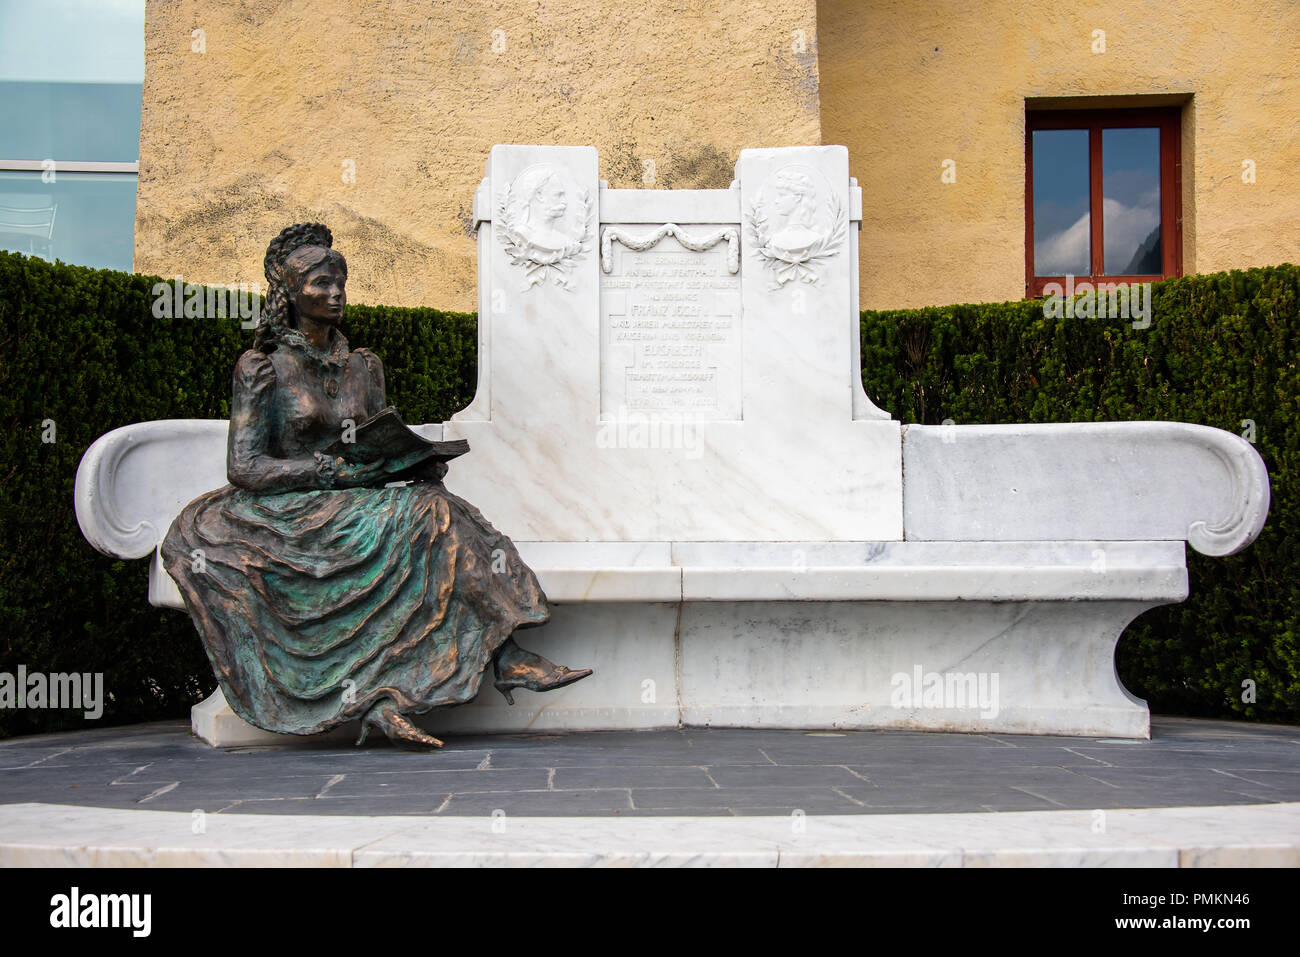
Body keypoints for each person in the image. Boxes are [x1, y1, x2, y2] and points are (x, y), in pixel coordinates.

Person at [161, 222, 591, 749]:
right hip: (288, 509)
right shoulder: (263, 368)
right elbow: (246, 467)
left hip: (358, 500)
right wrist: (325, 472)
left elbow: (371, 440)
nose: (335, 293)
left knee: (433, 504)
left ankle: (414, 691)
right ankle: (497, 661)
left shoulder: (366, 366)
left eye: (340, 281)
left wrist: (409, 462)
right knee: (429, 518)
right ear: (290, 294)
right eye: (321, 283)